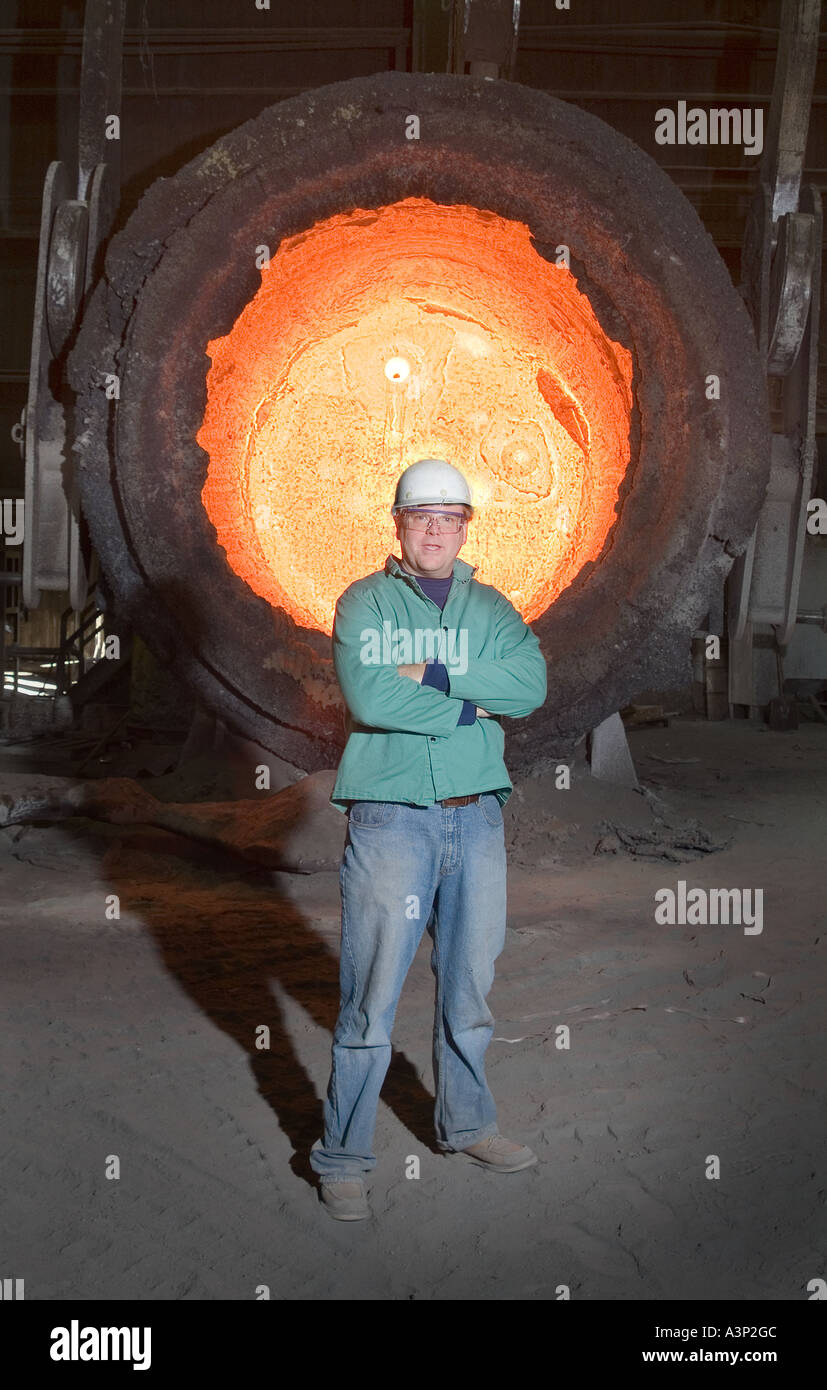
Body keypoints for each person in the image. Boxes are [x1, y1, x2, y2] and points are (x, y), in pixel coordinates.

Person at [309, 458, 548, 1220]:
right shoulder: (365, 603)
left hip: (475, 817)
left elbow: (531, 689)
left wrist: (434, 672)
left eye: (451, 518)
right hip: (391, 819)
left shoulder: (494, 607)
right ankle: (343, 1158)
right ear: (399, 525)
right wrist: (471, 700)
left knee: (470, 991)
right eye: (423, 518)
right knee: (370, 997)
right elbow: (371, 695)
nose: (437, 530)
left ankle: (468, 1124)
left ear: (465, 527)